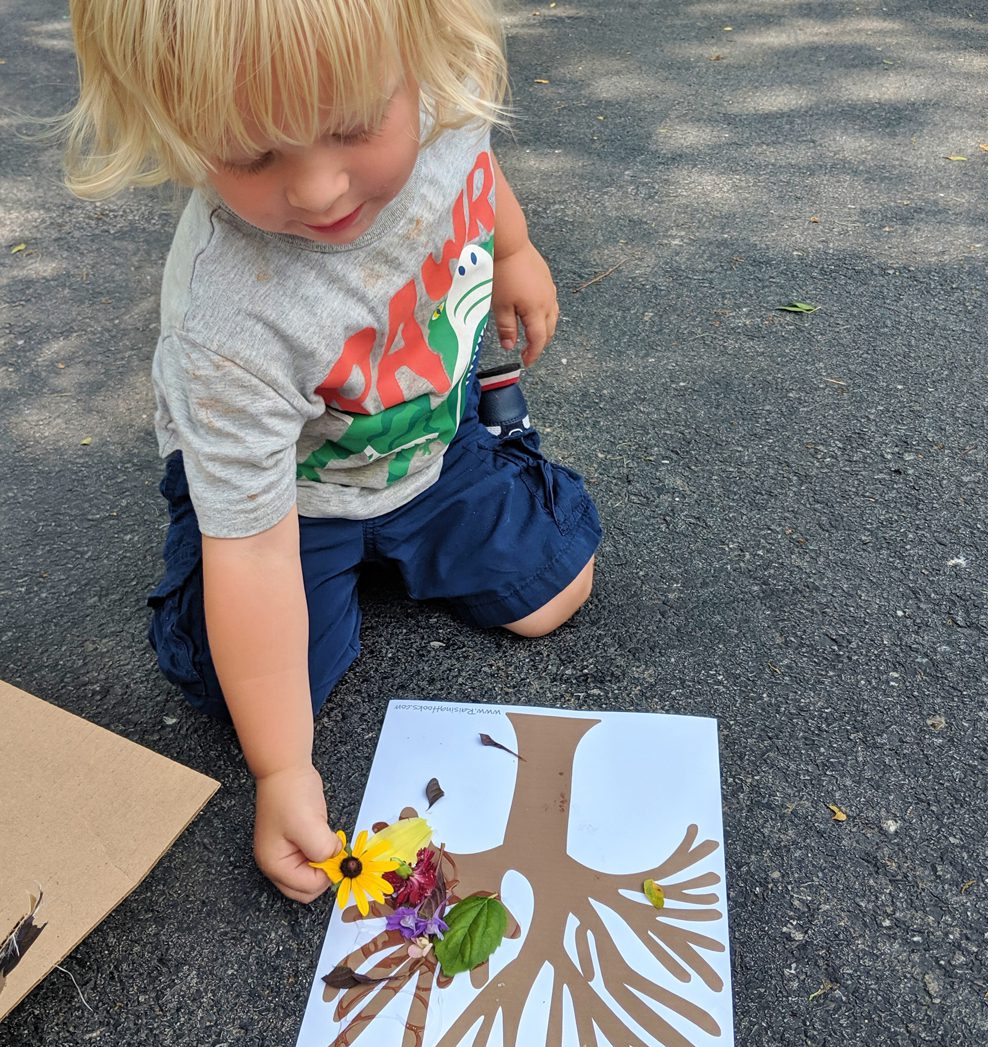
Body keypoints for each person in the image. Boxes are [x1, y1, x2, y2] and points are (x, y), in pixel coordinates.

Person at [62, 0, 601, 902]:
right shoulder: (227, 327)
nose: (317, 191)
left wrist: (514, 250)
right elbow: (254, 553)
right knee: (253, 697)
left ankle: (464, 473)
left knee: (556, 592)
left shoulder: (445, 98)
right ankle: (221, 593)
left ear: (424, 61)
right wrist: (281, 771)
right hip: (288, 506)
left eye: (352, 128)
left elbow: (475, 167)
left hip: (426, 447)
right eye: (250, 154)